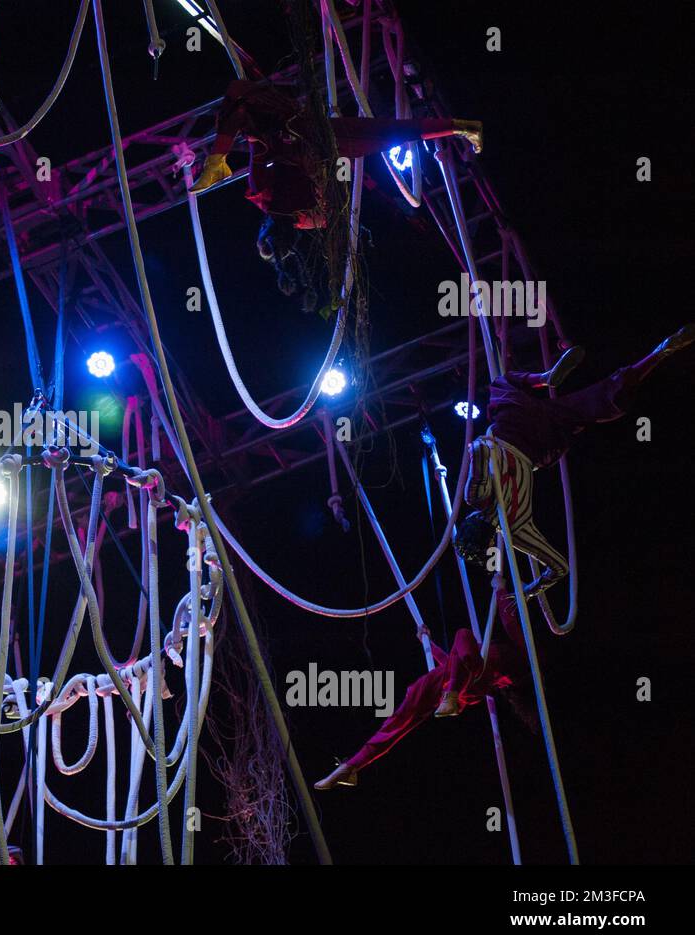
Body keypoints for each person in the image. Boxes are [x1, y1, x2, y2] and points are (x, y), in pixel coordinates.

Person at [188, 78, 481, 304]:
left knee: (391, 132)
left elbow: (332, 190)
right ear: (264, 228)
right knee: (238, 94)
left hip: (325, 142)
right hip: (300, 132)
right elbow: (260, 152)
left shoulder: (311, 219)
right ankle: (217, 160)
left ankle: (460, 126)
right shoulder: (263, 196)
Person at [456, 325, 694, 595]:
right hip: (514, 424)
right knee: (501, 385)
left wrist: (531, 590)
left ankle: (657, 356)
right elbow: (477, 449)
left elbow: (559, 568)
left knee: (595, 404)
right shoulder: (476, 497)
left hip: (542, 444)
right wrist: (485, 444)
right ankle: (546, 378)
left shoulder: (516, 532)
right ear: (470, 521)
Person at [314, 582, 529, 790]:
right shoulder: (504, 671)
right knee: (396, 726)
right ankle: (351, 767)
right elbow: (453, 664)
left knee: (463, 634)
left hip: (466, 681)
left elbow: (509, 620)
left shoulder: (526, 656)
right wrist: (428, 643)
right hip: (458, 685)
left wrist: (500, 588)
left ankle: (449, 695)